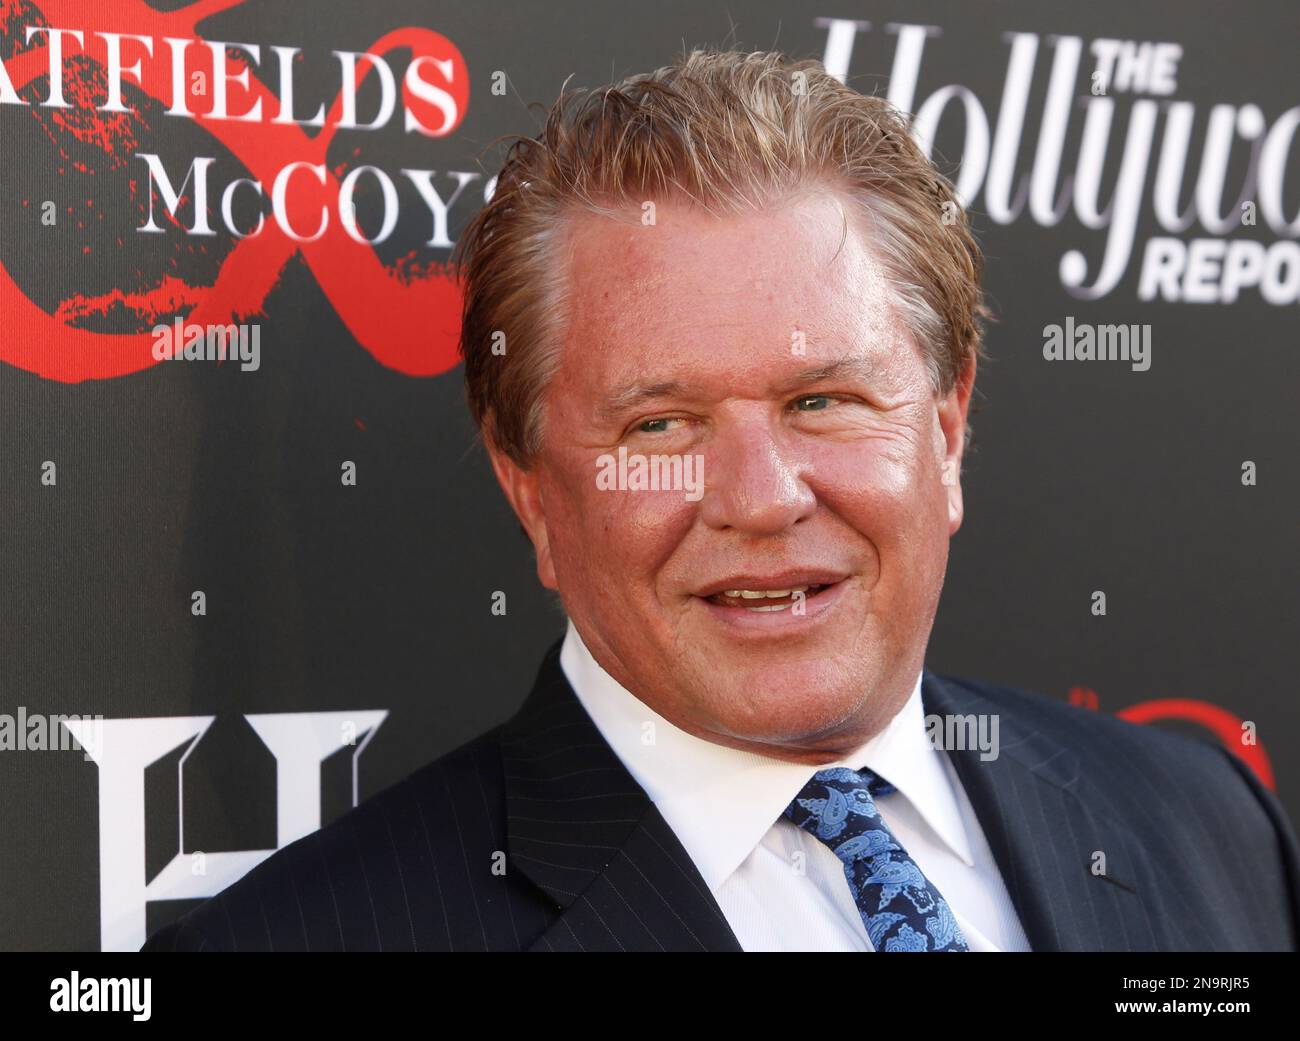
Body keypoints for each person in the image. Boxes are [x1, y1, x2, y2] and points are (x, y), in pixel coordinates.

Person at [141, 48, 1299, 952]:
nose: (759, 498)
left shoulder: (1203, 817)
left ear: (944, 435)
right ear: (532, 492)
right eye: (659, 424)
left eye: (824, 400)